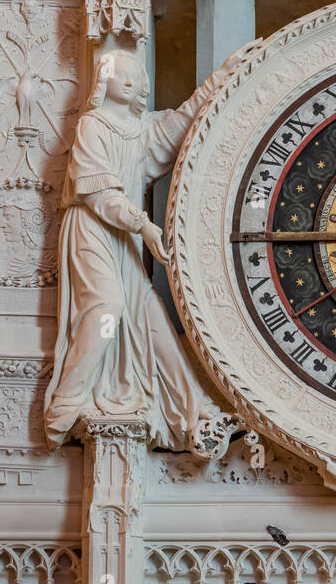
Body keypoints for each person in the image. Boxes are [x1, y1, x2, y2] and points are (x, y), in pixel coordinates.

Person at [44, 46, 245, 450]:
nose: (133, 81)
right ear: (104, 81)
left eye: (137, 75)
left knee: (150, 315)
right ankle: (65, 402)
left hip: (126, 236)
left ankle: (197, 411)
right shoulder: (93, 125)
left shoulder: (142, 129)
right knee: (108, 310)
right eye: (123, 74)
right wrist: (144, 225)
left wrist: (221, 75)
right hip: (93, 232)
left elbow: (182, 121)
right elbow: (98, 193)